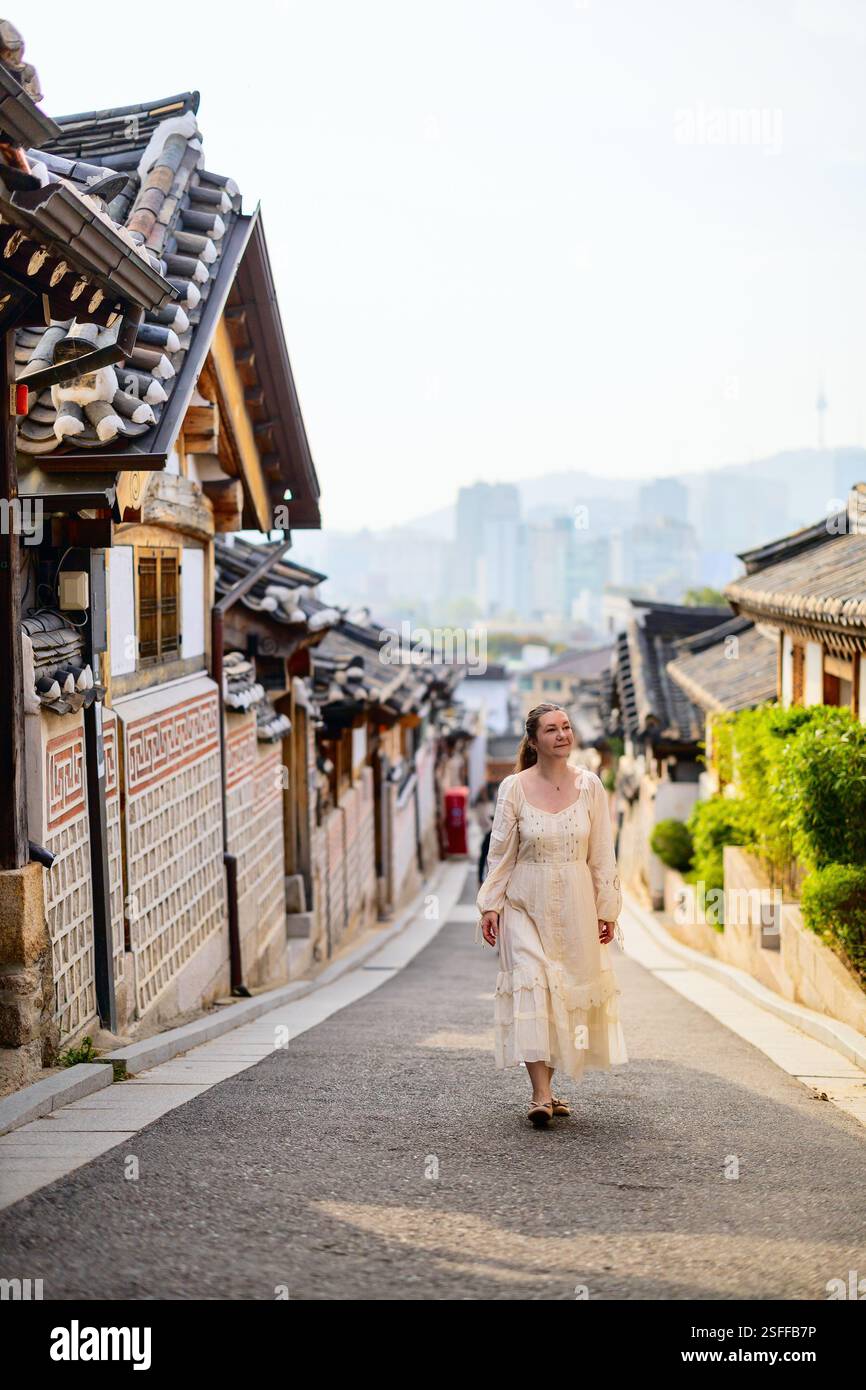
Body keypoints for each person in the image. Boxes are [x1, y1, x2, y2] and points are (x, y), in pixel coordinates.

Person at [476, 702, 627, 1127]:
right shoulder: (513, 788)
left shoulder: (591, 786)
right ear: (534, 739)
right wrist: (490, 904)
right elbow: (501, 852)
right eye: (551, 729)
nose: (562, 735)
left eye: (566, 727)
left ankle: (549, 1088)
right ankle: (540, 1095)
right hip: (524, 900)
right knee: (533, 982)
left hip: (575, 900)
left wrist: (607, 909)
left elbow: (601, 854)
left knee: (561, 989)